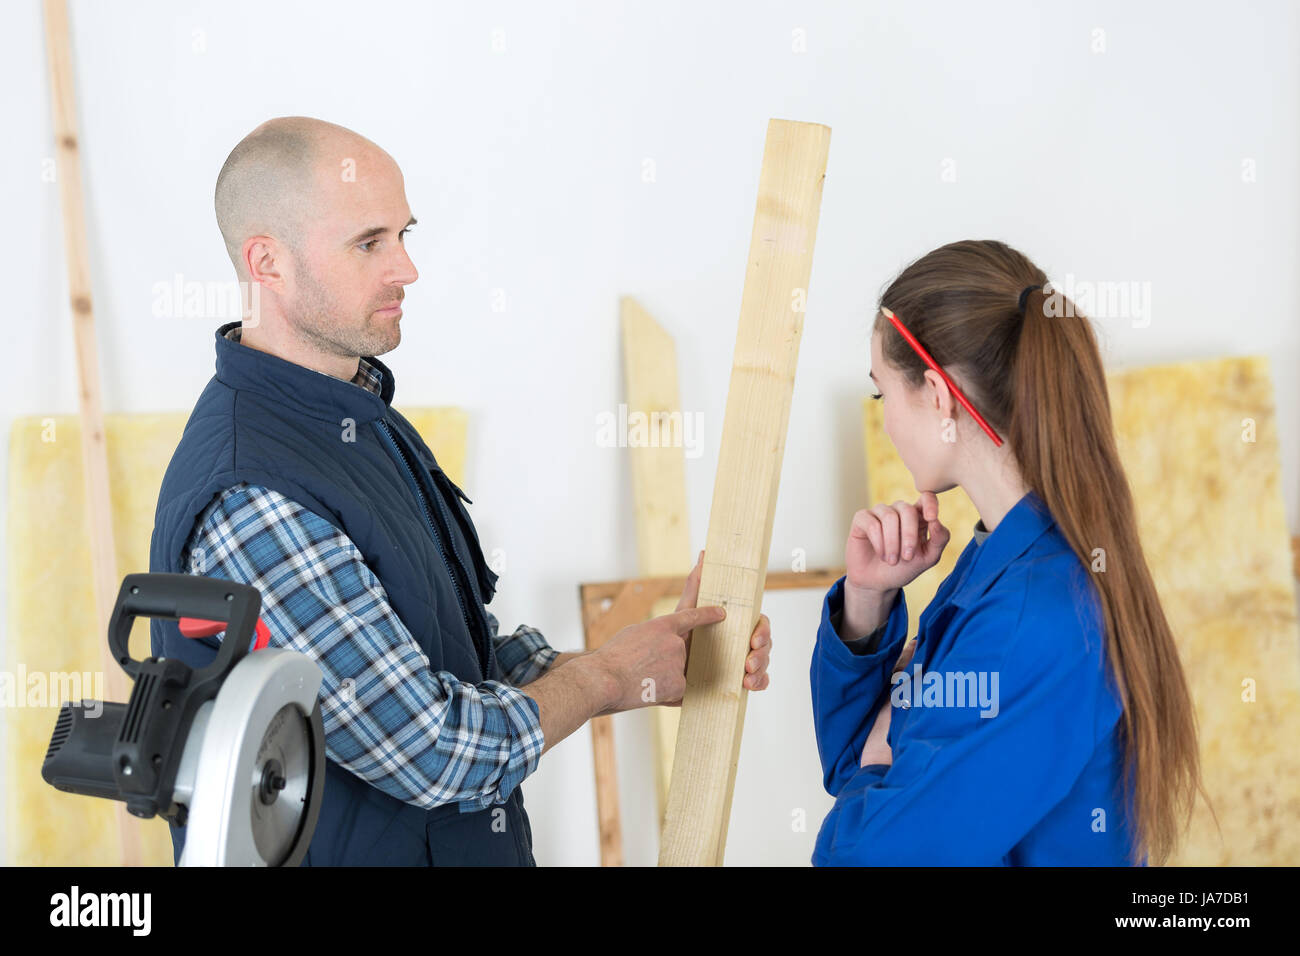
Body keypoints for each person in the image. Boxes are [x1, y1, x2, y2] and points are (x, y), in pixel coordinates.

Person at [149, 116, 774, 866]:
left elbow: (452, 665)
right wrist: (608, 679)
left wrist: (644, 661)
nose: (406, 269)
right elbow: (431, 750)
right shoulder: (253, 491)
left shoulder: (358, 418)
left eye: (405, 235)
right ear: (267, 263)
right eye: (369, 242)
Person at [810, 239, 1209, 865]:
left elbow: (872, 854)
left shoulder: (1033, 615)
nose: (884, 420)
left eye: (883, 394)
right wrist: (867, 603)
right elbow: (853, 766)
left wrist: (880, 757)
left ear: (939, 398)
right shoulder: (997, 562)